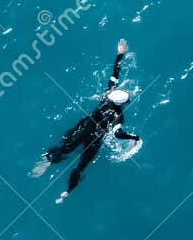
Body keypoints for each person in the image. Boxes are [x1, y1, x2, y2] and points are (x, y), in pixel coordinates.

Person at [31, 39, 140, 202]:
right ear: (122, 104)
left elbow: (114, 74)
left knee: (66, 146)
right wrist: (135, 138)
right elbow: (118, 134)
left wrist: (120, 54)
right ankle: (66, 192)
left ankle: (48, 161)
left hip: (85, 125)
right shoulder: (118, 115)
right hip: (95, 138)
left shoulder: (106, 95)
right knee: (81, 166)